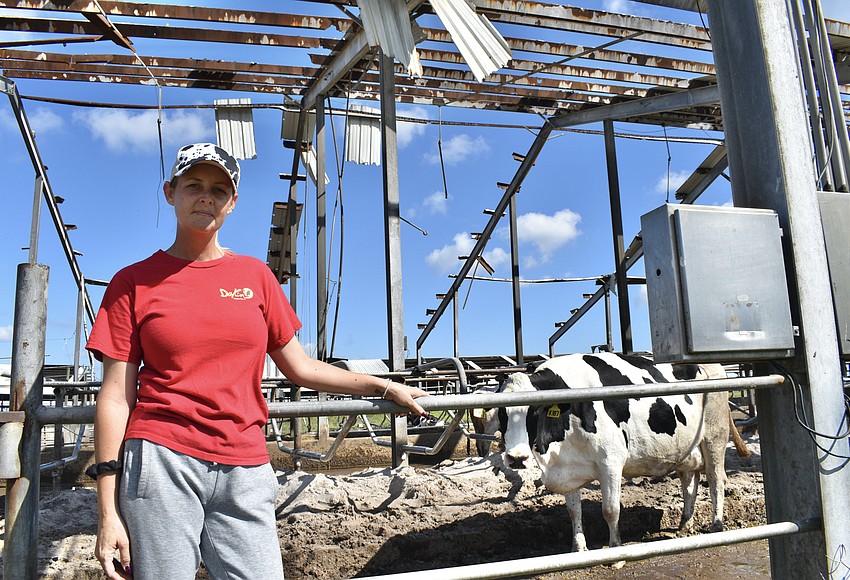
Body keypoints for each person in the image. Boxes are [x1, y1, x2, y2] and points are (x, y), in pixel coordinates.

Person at [85, 143, 429, 580]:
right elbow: (115, 397)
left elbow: (301, 367)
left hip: (245, 462)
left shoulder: (256, 278)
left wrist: (383, 387)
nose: (206, 196)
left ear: (233, 203)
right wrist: (107, 511)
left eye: (218, 189)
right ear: (170, 192)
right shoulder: (132, 282)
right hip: (162, 460)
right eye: (194, 185)